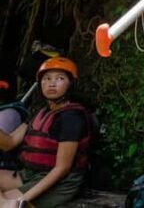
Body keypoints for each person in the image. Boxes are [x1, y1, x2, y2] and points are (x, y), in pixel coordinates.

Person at [0, 57, 92, 208]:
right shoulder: (41, 112)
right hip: (31, 174)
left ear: (71, 84)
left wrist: (23, 200)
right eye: (47, 78)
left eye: (60, 78)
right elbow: (9, 143)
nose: (51, 83)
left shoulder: (71, 117)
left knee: (7, 205)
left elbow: (62, 169)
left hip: (61, 181)